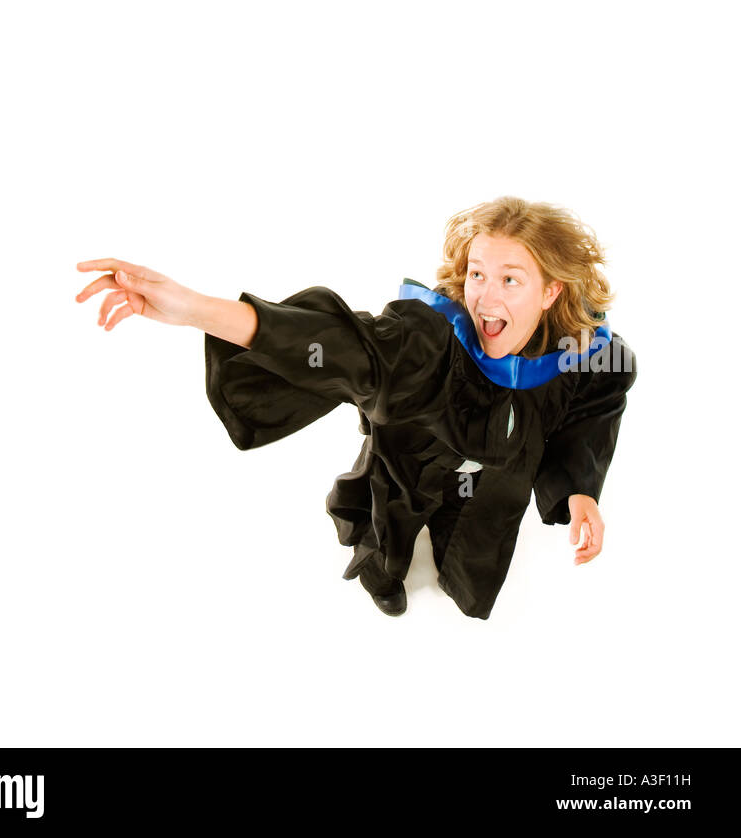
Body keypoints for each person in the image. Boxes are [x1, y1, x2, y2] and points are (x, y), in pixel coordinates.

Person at [75, 196, 636, 619]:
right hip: (414, 459)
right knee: (388, 524)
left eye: (510, 280)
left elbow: (594, 406)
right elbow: (345, 347)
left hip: (494, 477)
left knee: (475, 533)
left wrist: (580, 487)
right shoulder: (429, 339)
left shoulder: (578, 351)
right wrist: (197, 309)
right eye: (477, 274)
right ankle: (384, 575)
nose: (485, 298)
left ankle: (455, 570)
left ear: (551, 292)